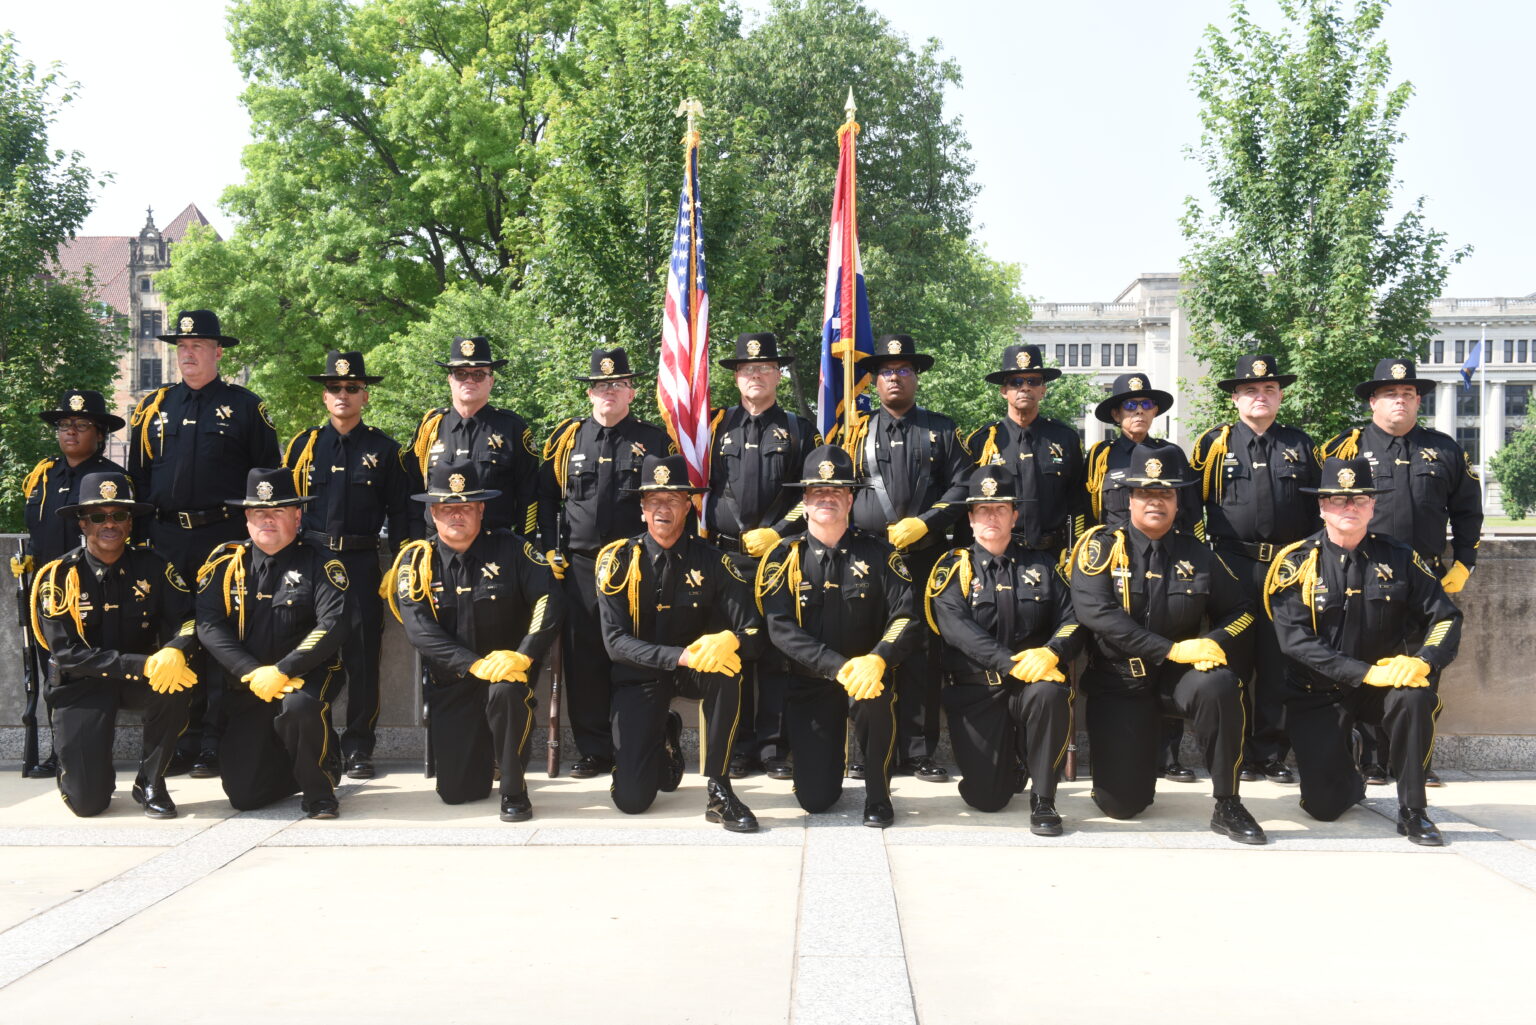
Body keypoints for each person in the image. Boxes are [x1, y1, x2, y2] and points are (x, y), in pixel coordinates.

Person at [1069, 442, 1265, 844]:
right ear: (1129, 498)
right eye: (1145, 492)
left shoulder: (1198, 553)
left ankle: (1228, 801)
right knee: (1122, 806)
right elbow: (1096, 614)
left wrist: (1210, 643)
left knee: (1220, 684)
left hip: (1179, 679)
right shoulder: (1101, 548)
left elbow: (1243, 610)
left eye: (1165, 493)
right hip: (1119, 682)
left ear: (1177, 502)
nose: (1155, 501)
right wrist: (1172, 648)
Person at [1264, 456, 1463, 845]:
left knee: (1415, 696)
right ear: (1322, 507)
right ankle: (1348, 761)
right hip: (1317, 693)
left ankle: (1413, 810)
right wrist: (1364, 672)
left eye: (1359, 499)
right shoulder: (1297, 563)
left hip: (1382, 687)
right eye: (1339, 500)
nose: (1349, 507)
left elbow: (1446, 617)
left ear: (1373, 505)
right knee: (1325, 807)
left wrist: (1422, 661)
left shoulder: (1400, 557)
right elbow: (1295, 641)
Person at [127, 309, 281, 778]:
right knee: (172, 636)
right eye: (182, 347)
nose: (188, 354)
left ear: (218, 352)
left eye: (198, 347)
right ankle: (181, 739)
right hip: (165, 539)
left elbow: (267, 482)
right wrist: (139, 542)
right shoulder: (152, 408)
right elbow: (137, 478)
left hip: (224, 539)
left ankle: (215, 740)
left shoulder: (246, 407)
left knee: (222, 637)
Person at [1319, 357, 1482, 788]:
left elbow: (1468, 511)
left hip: (1424, 577)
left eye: (1408, 394)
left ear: (1418, 401)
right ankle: (1373, 759)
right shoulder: (1344, 450)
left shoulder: (1445, 449)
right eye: (1390, 394)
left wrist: (1465, 562)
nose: (1400, 401)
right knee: (1367, 665)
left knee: (1423, 670)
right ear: (1374, 400)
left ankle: (1416, 761)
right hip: (1362, 574)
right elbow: (1323, 509)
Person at [756, 445, 922, 828]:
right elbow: (780, 627)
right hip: (811, 684)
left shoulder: (880, 553)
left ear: (849, 499)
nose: (826, 498)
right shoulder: (783, 557)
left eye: (835, 491)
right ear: (805, 501)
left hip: (867, 679)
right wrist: (838, 666)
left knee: (874, 696)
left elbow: (906, 616)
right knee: (816, 801)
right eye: (817, 492)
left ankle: (879, 794)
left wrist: (878, 659)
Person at [596, 454, 764, 830]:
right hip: (640, 674)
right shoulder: (619, 561)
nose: (663, 508)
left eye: (673, 499)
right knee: (632, 800)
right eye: (654, 500)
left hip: (697, 669)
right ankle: (662, 735)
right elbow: (615, 643)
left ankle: (720, 788)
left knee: (728, 670)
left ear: (689, 506)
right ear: (642, 509)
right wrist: (681, 656)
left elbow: (753, 630)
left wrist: (731, 640)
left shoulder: (715, 562)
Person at [389, 459, 563, 822]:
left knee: (506, 693)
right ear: (432, 512)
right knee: (458, 794)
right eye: (446, 508)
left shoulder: (514, 550)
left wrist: (524, 655)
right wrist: (473, 664)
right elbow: (420, 630)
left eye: (466, 507)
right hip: (453, 682)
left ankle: (514, 790)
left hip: (506, 676)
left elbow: (549, 598)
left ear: (481, 508)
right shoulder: (416, 562)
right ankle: (485, 757)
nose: (456, 515)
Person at [29, 471, 198, 817]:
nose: (110, 524)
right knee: (89, 803)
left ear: (130, 523)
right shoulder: (60, 577)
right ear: (82, 523)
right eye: (98, 516)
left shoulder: (153, 566)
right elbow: (65, 653)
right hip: (80, 686)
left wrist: (174, 649)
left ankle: (151, 781)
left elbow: (191, 618)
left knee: (176, 684)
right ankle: (76, 772)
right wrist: (141, 663)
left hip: (136, 680)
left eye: (119, 515)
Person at [537, 347, 672, 779]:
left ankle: (638, 740)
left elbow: (671, 502)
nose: (607, 391)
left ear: (631, 390)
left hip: (636, 563)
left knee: (634, 654)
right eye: (599, 385)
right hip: (578, 565)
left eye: (616, 384)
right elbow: (543, 501)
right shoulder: (566, 440)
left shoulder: (654, 441)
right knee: (585, 658)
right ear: (589, 392)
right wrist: (547, 550)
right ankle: (595, 749)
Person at [925, 468, 1084, 834]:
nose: (991, 516)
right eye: (983, 509)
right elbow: (956, 629)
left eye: (1000, 508)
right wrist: (1011, 664)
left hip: (1032, 685)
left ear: (1015, 514)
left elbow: (1073, 619)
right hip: (976, 691)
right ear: (970, 518)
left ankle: (1044, 799)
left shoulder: (1043, 564)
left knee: (1050, 694)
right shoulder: (953, 567)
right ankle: (1012, 765)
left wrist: (1052, 652)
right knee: (987, 799)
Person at [1189, 354, 1320, 784]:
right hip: (1232, 566)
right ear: (1235, 399)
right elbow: (1193, 505)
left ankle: (1270, 753)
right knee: (1233, 660)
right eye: (1250, 391)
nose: (1259, 397)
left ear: (1280, 396)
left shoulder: (1302, 446)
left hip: (1287, 569)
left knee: (1281, 663)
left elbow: (1320, 509)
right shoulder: (1213, 444)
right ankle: (1237, 752)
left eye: (1268, 390)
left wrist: (1312, 564)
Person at [843, 333, 969, 783]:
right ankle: (866, 749)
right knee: (867, 645)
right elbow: (837, 488)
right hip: (867, 557)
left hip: (923, 557)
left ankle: (919, 752)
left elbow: (962, 488)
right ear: (874, 382)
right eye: (885, 372)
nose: (894, 378)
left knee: (919, 653)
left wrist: (929, 522)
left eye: (902, 371)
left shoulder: (942, 429)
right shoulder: (854, 431)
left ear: (916, 378)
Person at [283, 350, 411, 779]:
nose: (343, 394)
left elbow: (403, 514)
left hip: (360, 561)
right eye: (335, 388)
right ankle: (313, 740)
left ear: (365, 396)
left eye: (352, 388)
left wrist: (401, 565)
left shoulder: (385, 450)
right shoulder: (303, 446)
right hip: (312, 563)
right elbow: (285, 510)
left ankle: (359, 747)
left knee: (362, 658)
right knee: (307, 652)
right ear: (324, 396)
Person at [196, 469, 349, 818]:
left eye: (278, 511)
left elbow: (333, 625)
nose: (267, 519)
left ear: (296, 517)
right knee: (244, 796)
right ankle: (301, 762)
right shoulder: (225, 565)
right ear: (247, 519)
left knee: (299, 708)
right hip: (249, 683)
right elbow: (210, 625)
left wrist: (284, 670)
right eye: (259, 512)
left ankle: (319, 789)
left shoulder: (321, 563)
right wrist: (250, 671)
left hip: (305, 676)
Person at [704, 332, 820, 781]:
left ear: (778, 375)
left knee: (776, 651)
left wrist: (776, 532)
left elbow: (811, 493)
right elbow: (701, 484)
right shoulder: (713, 426)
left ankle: (774, 748)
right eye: (748, 369)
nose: (756, 375)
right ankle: (736, 746)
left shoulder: (797, 428)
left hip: (779, 558)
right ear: (736, 377)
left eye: (765, 368)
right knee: (732, 650)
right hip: (722, 556)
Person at [1085, 372, 1205, 784]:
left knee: (1171, 650)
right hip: (1114, 565)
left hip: (1168, 561)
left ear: (1155, 410)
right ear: (1116, 413)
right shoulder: (1101, 456)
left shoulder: (1171, 453)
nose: (1138, 412)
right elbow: (1087, 513)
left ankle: (1168, 754)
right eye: (1130, 406)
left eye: (1145, 405)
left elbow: (1191, 514)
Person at [19, 389, 129, 778]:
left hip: (94, 590)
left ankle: (93, 751)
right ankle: (59, 750)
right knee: (50, 671)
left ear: (99, 434)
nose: (70, 432)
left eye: (81, 425)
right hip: (48, 591)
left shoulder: (111, 479)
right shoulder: (44, 474)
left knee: (94, 669)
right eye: (65, 425)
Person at [401, 335, 539, 540]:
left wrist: (523, 547)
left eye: (478, 375)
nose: (469, 380)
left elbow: (529, 495)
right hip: (437, 547)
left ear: (490, 381)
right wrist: (414, 545)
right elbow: (410, 492)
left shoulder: (512, 428)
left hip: (496, 547)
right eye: (461, 373)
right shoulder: (429, 428)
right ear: (450, 380)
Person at [964, 344, 1088, 556]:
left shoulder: (1065, 438)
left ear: (1043, 390)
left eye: (1033, 381)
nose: (1025, 387)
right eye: (1016, 382)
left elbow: (1078, 502)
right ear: (1004, 391)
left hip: (1054, 553)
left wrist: (1075, 551)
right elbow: (968, 505)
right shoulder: (983, 441)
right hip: (998, 554)